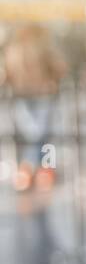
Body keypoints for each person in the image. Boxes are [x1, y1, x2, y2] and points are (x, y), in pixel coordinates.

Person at [2, 24, 66, 192]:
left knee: (39, 133)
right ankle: (42, 168)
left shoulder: (25, 48)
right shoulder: (17, 49)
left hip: (37, 94)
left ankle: (32, 168)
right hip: (28, 94)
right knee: (38, 133)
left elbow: (58, 67)